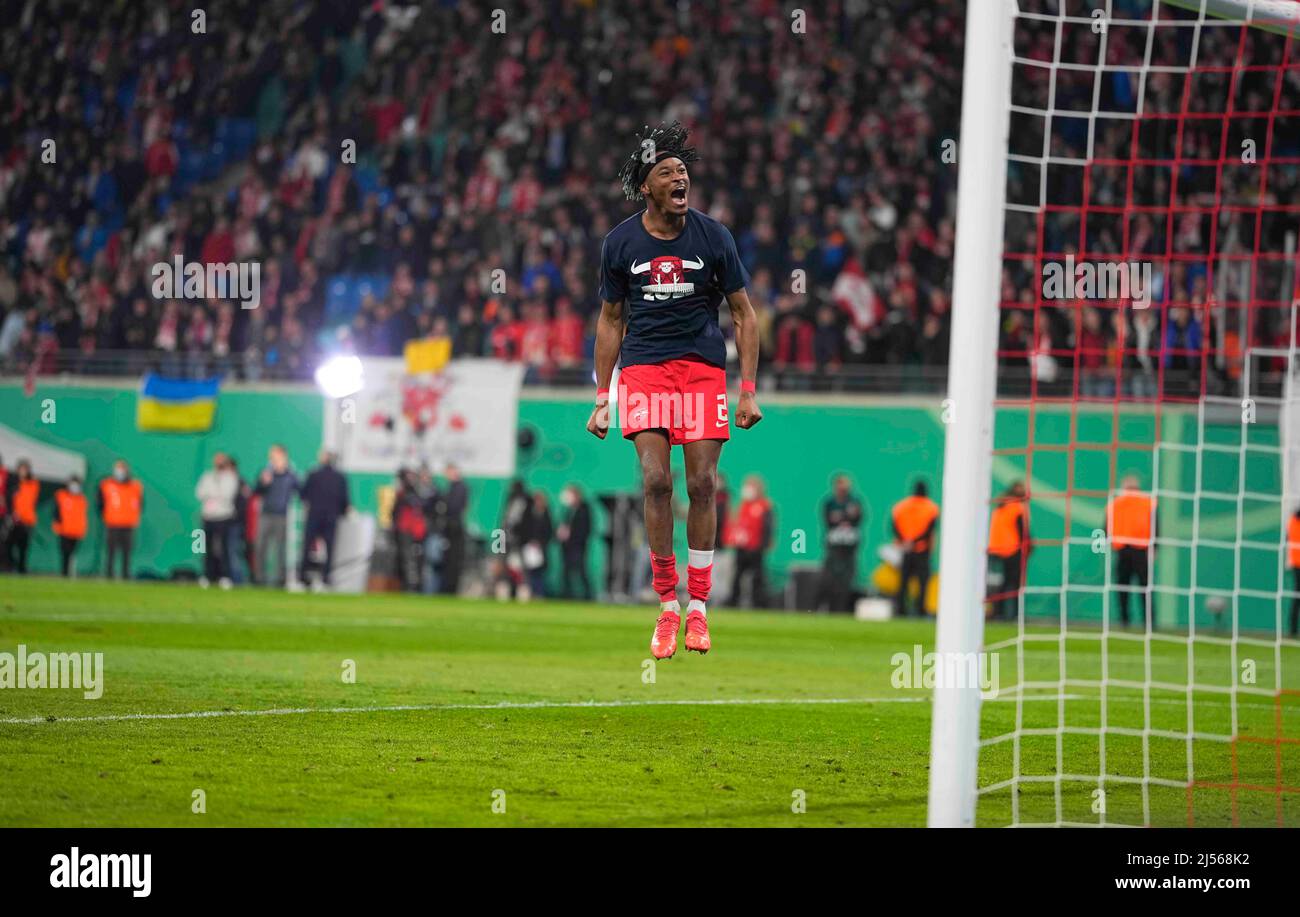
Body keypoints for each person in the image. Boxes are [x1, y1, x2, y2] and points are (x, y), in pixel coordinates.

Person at [587, 120, 763, 659]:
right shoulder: (620, 243)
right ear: (647, 187)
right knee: (657, 480)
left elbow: (744, 315)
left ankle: (700, 608)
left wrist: (749, 389)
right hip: (643, 369)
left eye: (683, 170)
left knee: (704, 484)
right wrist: (602, 397)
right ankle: (667, 605)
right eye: (667, 171)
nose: (679, 176)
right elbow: (610, 321)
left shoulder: (714, 237)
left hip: (701, 370)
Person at [1107, 474, 1156, 628]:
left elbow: (1102, 529)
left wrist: (1100, 550)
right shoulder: (1147, 503)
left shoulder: (1117, 503)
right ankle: (1135, 621)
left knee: (1135, 588)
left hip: (1136, 550)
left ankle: (1135, 621)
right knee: (1130, 588)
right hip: (1129, 550)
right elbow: (1104, 527)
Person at [298, 449, 350, 591]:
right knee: (329, 549)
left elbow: (303, 495)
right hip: (331, 518)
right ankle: (326, 578)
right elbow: (345, 500)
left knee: (307, 546)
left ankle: (303, 578)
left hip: (314, 516)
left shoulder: (313, 474)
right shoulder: (340, 477)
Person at [891, 480, 940, 617]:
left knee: (903, 581)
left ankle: (900, 609)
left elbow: (894, 526)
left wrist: (905, 541)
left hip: (905, 549)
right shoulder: (931, 507)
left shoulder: (901, 506)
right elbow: (930, 529)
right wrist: (915, 542)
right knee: (923, 582)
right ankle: (920, 609)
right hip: (922, 549)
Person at [816, 475, 864, 612]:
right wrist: (845, 516)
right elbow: (829, 520)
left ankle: (842, 609)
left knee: (846, 580)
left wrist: (841, 517)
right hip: (834, 544)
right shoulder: (829, 502)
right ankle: (825, 607)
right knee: (828, 579)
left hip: (849, 545)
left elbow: (857, 518)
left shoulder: (854, 501)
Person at [254, 444, 298, 587]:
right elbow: (257, 491)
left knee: (280, 548)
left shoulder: (290, 474)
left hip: (281, 515)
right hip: (266, 514)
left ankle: (280, 579)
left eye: (277, 456)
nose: (274, 459)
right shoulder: (266, 473)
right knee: (261, 546)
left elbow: (300, 489)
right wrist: (263, 482)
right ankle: (259, 578)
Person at [727, 474, 773, 608]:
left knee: (757, 577)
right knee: (737, 576)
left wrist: (763, 545)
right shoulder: (742, 505)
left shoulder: (764, 506)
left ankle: (758, 602)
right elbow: (736, 525)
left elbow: (767, 527)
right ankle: (734, 601)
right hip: (741, 547)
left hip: (756, 548)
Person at [987, 481, 1031, 620]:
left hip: (996, 549)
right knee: (1015, 583)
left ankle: (997, 612)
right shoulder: (1017, 507)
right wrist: (1029, 546)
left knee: (1000, 583)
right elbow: (1022, 530)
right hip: (1012, 549)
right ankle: (1015, 614)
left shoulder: (1000, 506)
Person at [195, 452, 239, 589]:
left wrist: (212, 494)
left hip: (223, 516)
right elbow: (199, 493)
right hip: (208, 516)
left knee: (224, 548)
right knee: (204, 547)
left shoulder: (230, 477)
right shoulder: (207, 476)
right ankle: (207, 575)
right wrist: (213, 495)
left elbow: (227, 495)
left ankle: (225, 576)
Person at [99, 459, 143, 579]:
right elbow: (100, 503)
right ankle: (109, 573)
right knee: (111, 551)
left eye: (122, 469)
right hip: (112, 522)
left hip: (128, 523)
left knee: (127, 552)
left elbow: (140, 504)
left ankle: (125, 574)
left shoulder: (135, 486)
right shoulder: (107, 484)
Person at [557, 483, 593, 600]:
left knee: (581, 572)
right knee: (566, 572)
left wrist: (571, 535)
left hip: (578, 547)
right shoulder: (568, 511)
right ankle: (566, 595)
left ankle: (588, 596)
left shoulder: (584, 509)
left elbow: (585, 529)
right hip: (567, 547)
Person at [440, 464, 469, 595]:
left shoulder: (459, 488)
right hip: (451, 528)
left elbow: (454, 507)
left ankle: (451, 589)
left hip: (454, 528)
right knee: (450, 561)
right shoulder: (454, 487)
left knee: (454, 561)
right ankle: (448, 587)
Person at [52, 475, 88, 576]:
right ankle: (64, 573)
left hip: (77, 530)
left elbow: (82, 516)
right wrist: (57, 525)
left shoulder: (82, 499)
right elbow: (56, 512)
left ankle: (70, 573)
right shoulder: (61, 495)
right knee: (65, 553)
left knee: (72, 553)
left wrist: (83, 529)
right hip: (64, 530)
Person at [6, 460, 38, 573]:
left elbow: (31, 498)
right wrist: (12, 513)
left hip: (27, 520)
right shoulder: (13, 484)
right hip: (14, 519)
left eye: (25, 469)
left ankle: (22, 569)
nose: (23, 472)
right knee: (9, 545)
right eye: (21, 469)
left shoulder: (32, 484)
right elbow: (9, 500)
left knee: (23, 547)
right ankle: (9, 566)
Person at [524, 490, 554, 598]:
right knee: (529, 572)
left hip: (542, 548)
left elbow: (550, 531)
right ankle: (531, 592)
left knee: (540, 573)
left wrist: (541, 543)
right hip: (529, 548)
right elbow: (525, 529)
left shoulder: (547, 514)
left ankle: (539, 593)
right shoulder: (529, 514)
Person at [1288, 507, 1300, 637]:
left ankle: (1293, 630)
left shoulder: (1292, 521)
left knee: (1297, 597)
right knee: (1297, 596)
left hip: (1296, 564)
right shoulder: (1294, 523)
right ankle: (1293, 629)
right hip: (1297, 564)